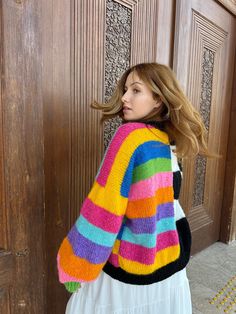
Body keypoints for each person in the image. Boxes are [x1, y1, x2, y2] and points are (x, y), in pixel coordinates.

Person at [57, 62, 213, 313]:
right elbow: (172, 207)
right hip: (167, 267)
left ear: (158, 100)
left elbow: (104, 208)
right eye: (126, 89)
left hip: (126, 275)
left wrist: (77, 265)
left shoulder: (128, 138)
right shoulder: (165, 142)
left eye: (136, 90)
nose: (125, 97)